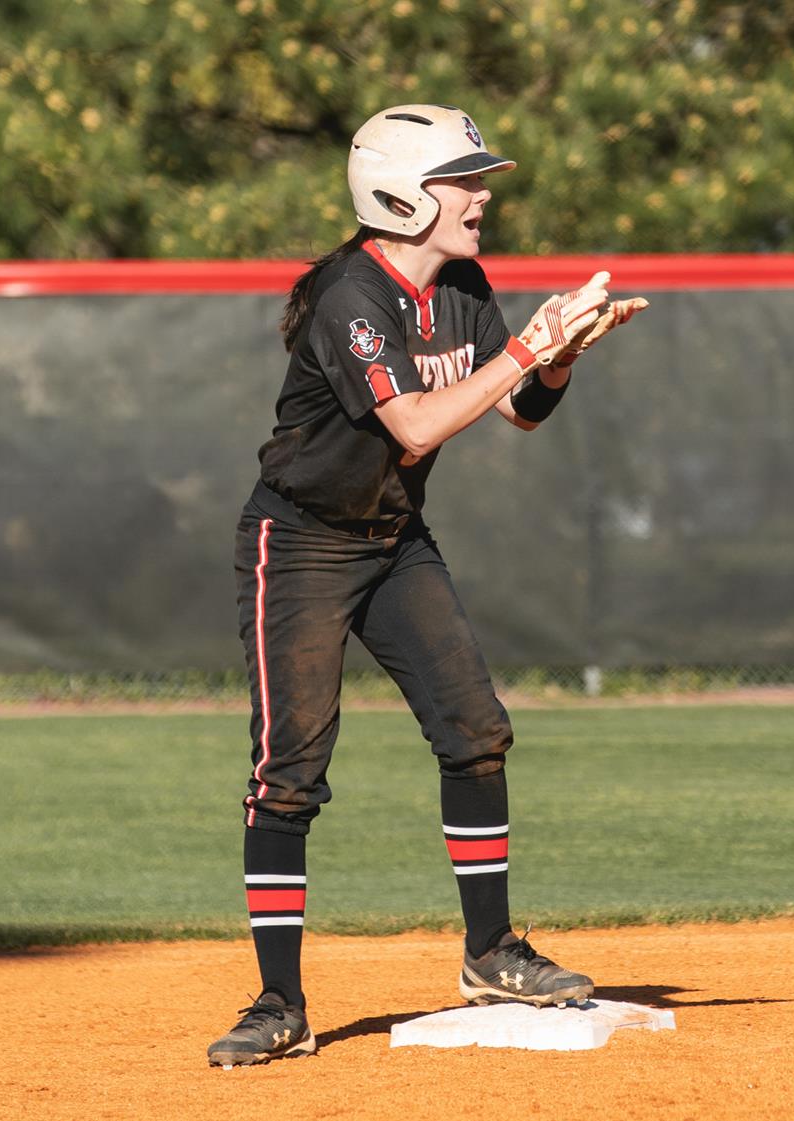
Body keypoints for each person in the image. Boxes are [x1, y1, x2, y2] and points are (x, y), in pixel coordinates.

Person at [207, 104, 644, 1067]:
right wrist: (529, 347)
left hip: (394, 538)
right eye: (464, 180)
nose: (482, 196)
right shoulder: (347, 298)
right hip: (303, 543)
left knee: (475, 727)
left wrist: (561, 354)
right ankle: (279, 1001)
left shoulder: (463, 286)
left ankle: (489, 952)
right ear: (402, 194)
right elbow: (414, 427)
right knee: (290, 771)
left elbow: (520, 410)